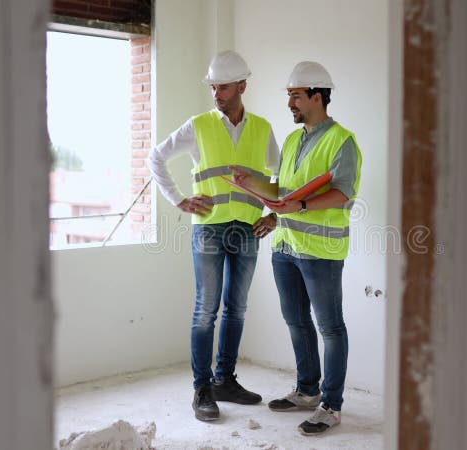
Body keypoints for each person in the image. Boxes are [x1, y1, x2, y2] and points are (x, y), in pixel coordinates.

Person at [229, 61, 362, 435]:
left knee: (330, 327)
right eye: (289, 97)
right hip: (286, 246)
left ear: (317, 97)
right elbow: (282, 191)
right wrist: (259, 193)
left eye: (295, 97)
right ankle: (307, 390)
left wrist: (300, 206)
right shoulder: (292, 141)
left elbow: (342, 193)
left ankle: (331, 405)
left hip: (320, 251)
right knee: (296, 320)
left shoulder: (342, 141)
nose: (290, 104)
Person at [148, 50, 279, 422]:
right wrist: (178, 199)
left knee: (236, 309)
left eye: (222, 87)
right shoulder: (198, 125)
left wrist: (273, 213)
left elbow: (279, 178)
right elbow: (155, 157)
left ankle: (225, 380)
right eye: (212, 87)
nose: (216, 93)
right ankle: (202, 388)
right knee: (206, 310)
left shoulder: (262, 129)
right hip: (209, 227)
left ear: (242, 86)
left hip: (248, 229)